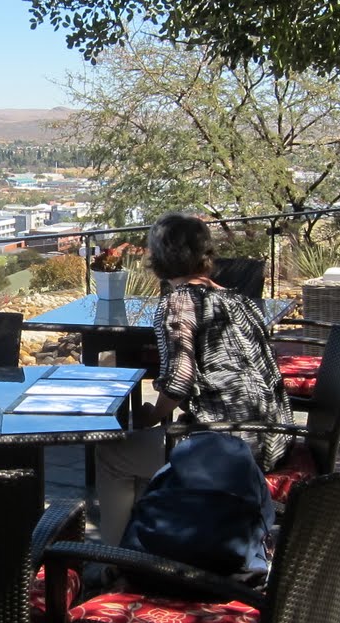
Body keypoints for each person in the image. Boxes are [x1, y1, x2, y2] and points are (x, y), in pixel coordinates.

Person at [94, 213, 293, 545]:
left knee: (111, 454)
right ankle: (151, 544)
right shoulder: (239, 299)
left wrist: (149, 416)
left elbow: (178, 382)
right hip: (274, 436)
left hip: (231, 446)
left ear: (158, 259)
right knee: (146, 453)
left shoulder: (178, 303)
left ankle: (113, 560)